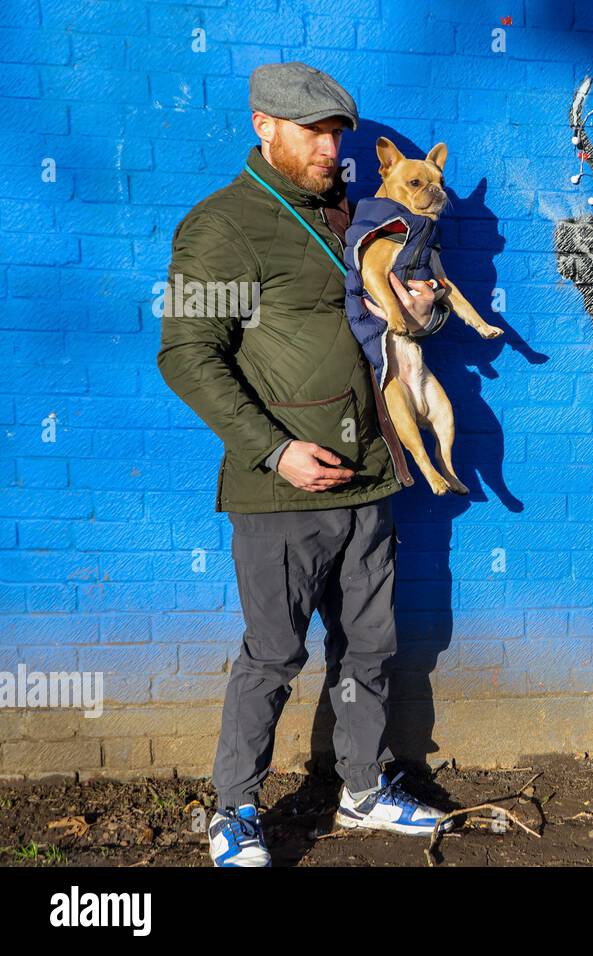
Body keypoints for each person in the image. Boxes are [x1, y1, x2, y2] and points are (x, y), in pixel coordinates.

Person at [157, 61, 453, 867]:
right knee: (274, 654)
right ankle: (236, 809)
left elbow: (382, 328)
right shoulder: (221, 226)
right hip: (280, 491)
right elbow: (185, 355)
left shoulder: (350, 217)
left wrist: (420, 316)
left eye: (338, 133)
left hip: (369, 475)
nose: (332, 147)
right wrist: (275, 449)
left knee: (370, 648)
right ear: (265, 126)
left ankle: (360, 789)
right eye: (314, 132)